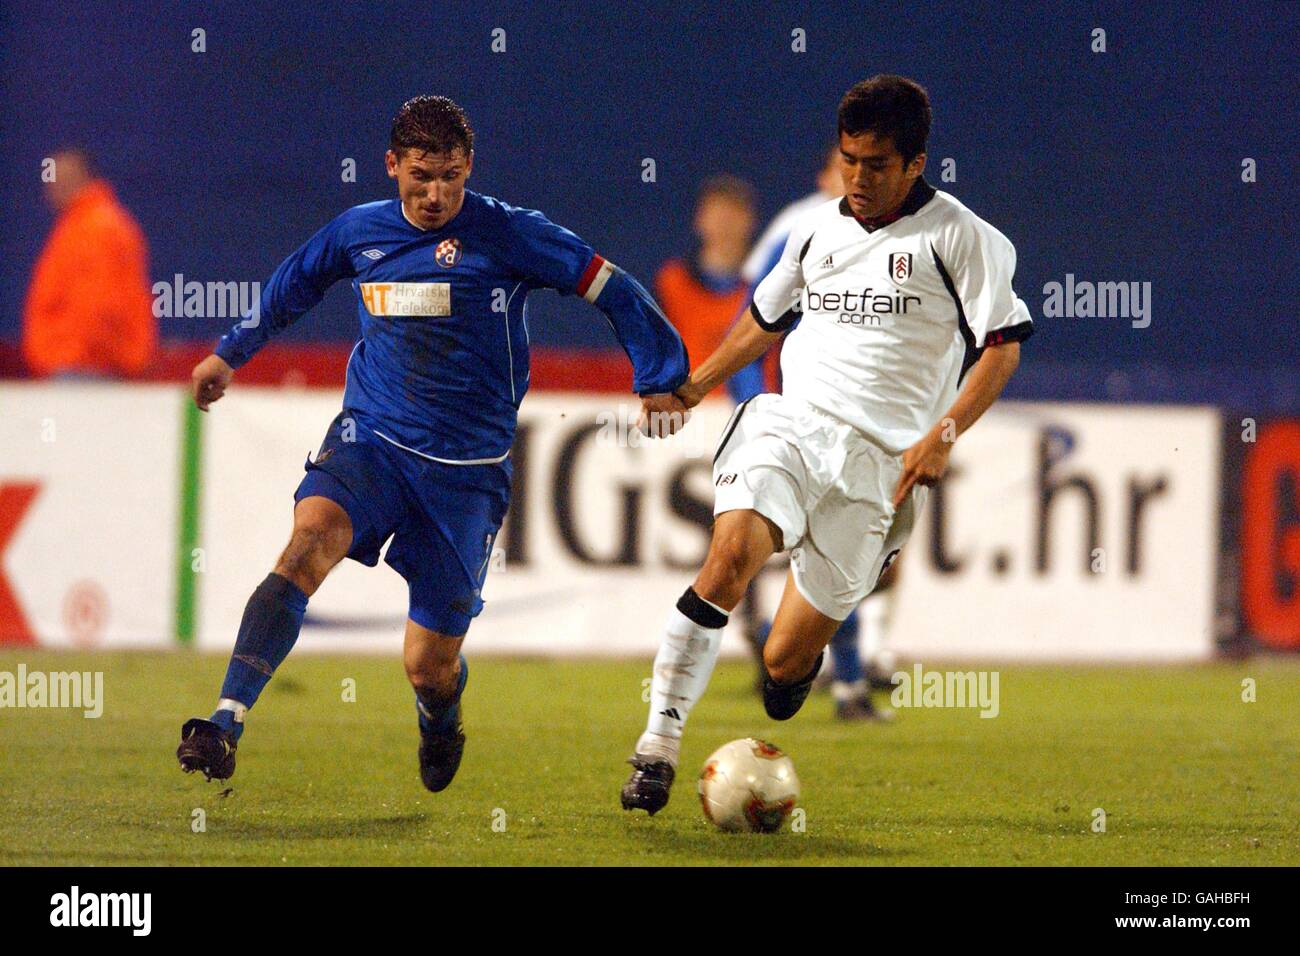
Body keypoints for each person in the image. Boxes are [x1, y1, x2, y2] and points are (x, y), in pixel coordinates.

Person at [176, 95, 690, 791]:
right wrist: (229, 353)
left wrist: (658, 374)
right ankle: (224, 721)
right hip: (373, 442)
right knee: (307, 543)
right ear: (392, 166)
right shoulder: (360, 233)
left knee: (429, 664)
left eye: (450, 176)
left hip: (466, 474)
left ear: (469, 168)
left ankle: (439, 718)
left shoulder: (510, 233)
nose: (436, 193)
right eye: (421, 175)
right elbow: (294, 283)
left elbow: (611, 287)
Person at [622, 75, 1033, 814]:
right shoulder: (814, 228)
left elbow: (1000, 349)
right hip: (792, 424)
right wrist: (694, 384)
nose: (859, 179)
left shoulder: (963, 239)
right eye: (849, 160)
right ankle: (657, 747)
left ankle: (792, 674)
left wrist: (944, 433)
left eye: (877, 164)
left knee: (782, 665)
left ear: (914, 163)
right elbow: (763, 318)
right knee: (728, 559)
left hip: (878, 468)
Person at [22, 148, 156, 378]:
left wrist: (73, 357)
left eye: (56, 179)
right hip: (84, 366)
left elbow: (98, 305)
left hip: (85, 370)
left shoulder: (94, 229)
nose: (49, 189)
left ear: (77, 178)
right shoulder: (85, 225)